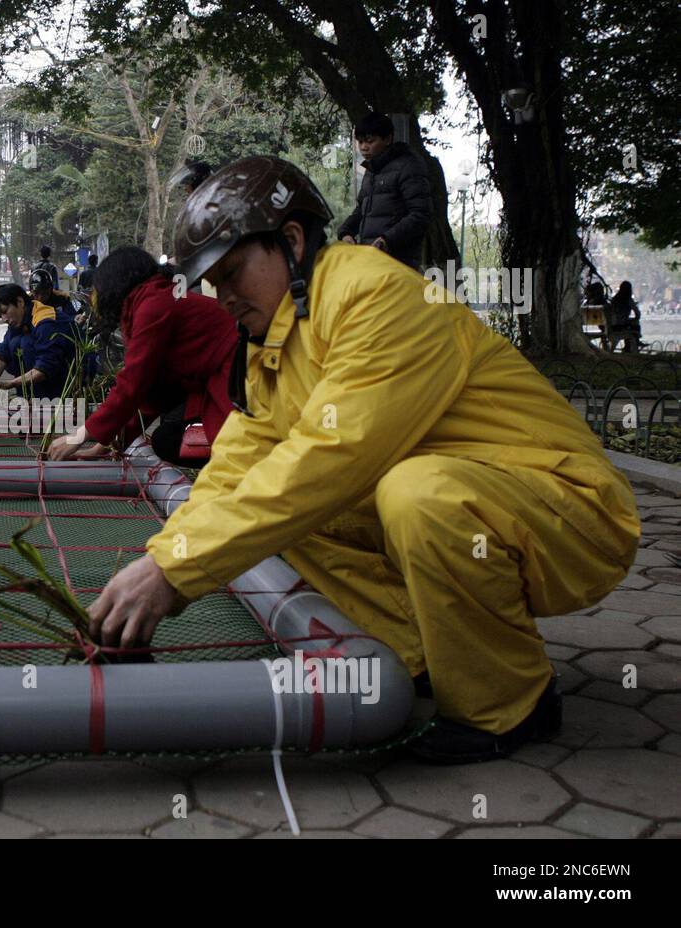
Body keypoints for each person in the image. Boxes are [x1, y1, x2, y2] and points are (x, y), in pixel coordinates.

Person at [86, 156, 640, 764]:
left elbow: (330, 456)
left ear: (291, 241)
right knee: (287, 515)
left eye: (233, 273)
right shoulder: (272, 338)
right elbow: (239, 469)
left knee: (410, 491)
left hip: (571, 509)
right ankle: (420, 659)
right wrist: (162, 562)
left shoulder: (373, 294)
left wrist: (172, 575)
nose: (224, 300)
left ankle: (511, 702)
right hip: (473, 499)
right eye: (212, 283)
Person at [48, 246, 235, 464]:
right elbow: (152, 393)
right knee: (169, 438)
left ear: (115, 283)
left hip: (236, 377)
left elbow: (132, 384)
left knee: (190, 443)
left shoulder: (153, 305)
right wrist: (102, 447)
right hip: (222, 379)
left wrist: (79, 436)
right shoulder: (153, 300)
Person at [336, 112, 432, 269]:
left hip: (399, 264)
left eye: (370, 141)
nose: (363, 148)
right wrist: (345, 232)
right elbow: (361, 210)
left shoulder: (409, 165)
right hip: (371, 261)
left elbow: (421, 214)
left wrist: (387, 240)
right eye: (360, 142)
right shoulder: (371, 171)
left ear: (388, 139)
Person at [0, 282, 76, 399]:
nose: (4, 319)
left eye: (5, 311)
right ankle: (27, 397)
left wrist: (13, 383)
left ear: (20, 302)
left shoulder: (45, 321)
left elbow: (46, 365)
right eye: (0, 316)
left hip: (70, 380)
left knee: (25, 343)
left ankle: (41, 399)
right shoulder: (20, 318)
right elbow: (3, 352)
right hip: (40, 379)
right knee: (14, 343)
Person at [607, 281, 641, 353]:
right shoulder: (628, 300)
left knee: (630, 324)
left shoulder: (614, 299)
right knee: (635, 324)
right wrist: (635, 317)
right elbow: (638, 314)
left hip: (612, 326)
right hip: (620, 326)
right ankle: (636, 342)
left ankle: (628, 346)